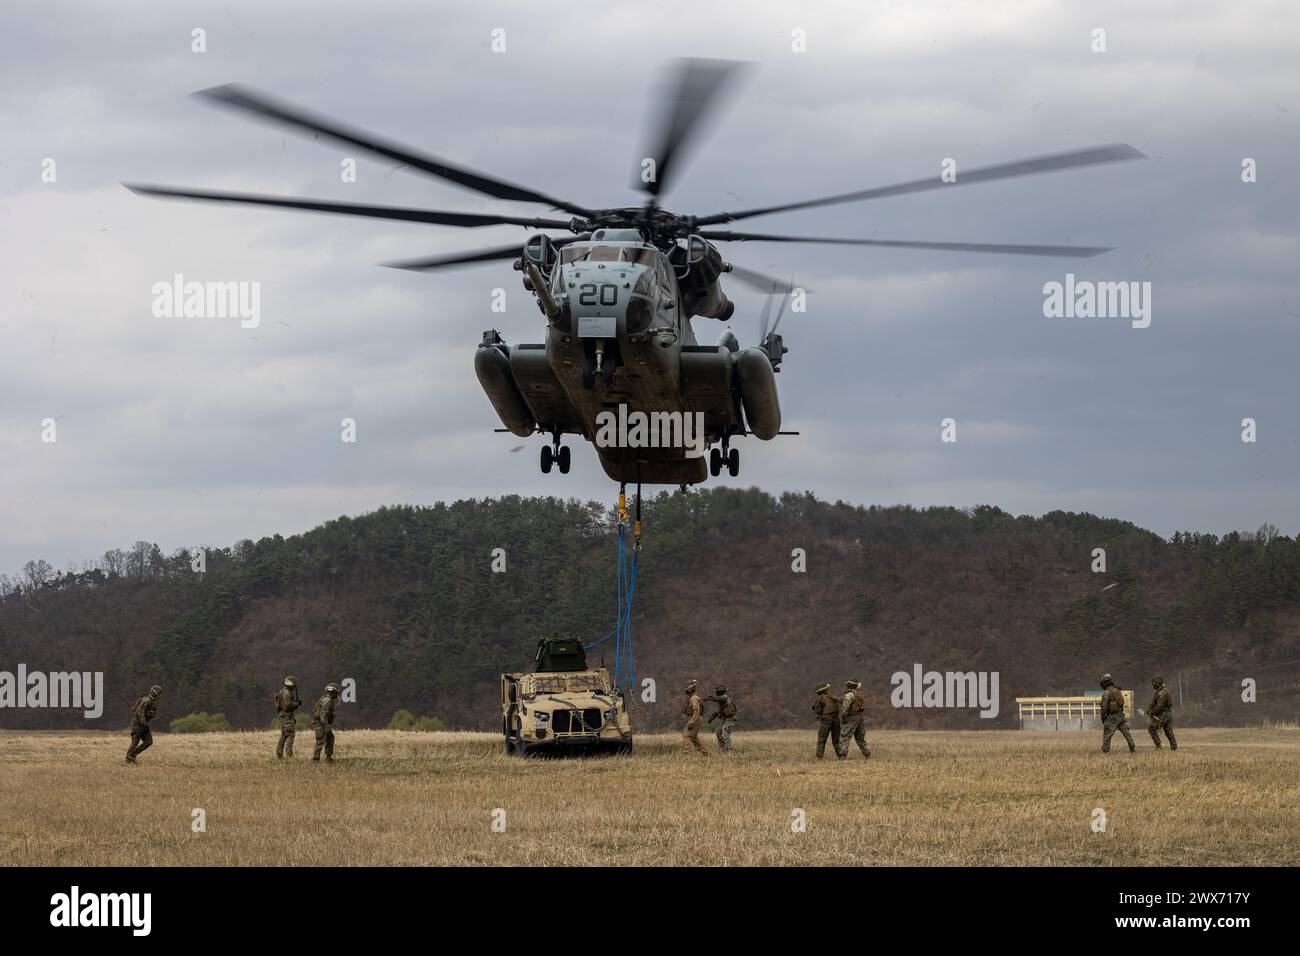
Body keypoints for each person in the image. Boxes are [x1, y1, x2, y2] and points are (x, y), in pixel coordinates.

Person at [1099, 673, 1136, 754]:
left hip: (1112, 716)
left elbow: (1104, 708)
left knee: (1107, 735)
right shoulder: (1117, 691)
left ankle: (1105, 750)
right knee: (1126, 733)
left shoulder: (1106, 693)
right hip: (1120, 715)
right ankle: (1132, 747)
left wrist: (1103, 718)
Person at [126, 685, 162, 764]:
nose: (159, 695)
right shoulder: (146, 701)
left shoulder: (149, 701)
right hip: (138, 724)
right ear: (154, 693)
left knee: (148, 741)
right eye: (158, 693)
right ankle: (129, 757)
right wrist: (144, 722)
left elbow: (136, 710)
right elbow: (141, 713)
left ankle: (132, 755)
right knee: (135, 742)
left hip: (143, 724)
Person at [837, 679, 871, 759]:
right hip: (859, 717)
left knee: (844, 736)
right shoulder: (858, 694)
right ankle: (867, 753)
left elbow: (845, 707)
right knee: (860, 738)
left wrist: (843, 717)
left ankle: (843, 756)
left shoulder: (849, 695)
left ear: (848, 685)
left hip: (852, 717)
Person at [311, 683, 341, 762]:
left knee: (330, 738)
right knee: (320, 739)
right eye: (336, 693)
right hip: (320, 723)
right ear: (333, 692)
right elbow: (323, 716)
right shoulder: (327, 701)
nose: (337, 695)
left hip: (322, 722)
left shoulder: (326, 699)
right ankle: (315, 759)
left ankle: (328, 757)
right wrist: (327, 727)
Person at [1147, 676, 1177, 750]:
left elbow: (1160, 706)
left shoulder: (1161, 693)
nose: (1153, 685)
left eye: (1154, 683)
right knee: (1169, 732)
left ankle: (1158, 746)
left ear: (1157, 684)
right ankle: (1174, 748)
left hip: (1163, 714)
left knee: (1151, 728)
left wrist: (1151, 711)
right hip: (1168, 714)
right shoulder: (1164, 691)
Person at [813, 683, 842, 759]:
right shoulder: (831, 696)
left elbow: (818, 711)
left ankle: (819, 757)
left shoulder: (820, 699)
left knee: (822, 739)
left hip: (826, 720)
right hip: (836, 719)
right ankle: (841, 755)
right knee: (836, 740)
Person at [275, 676, 301, 758]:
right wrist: (296, 704)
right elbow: (288, 704)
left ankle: (279, 753)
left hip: (284, 716)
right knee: (290, 734)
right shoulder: (287, 693)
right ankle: (289, 754)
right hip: (287, 716)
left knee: (284, 735)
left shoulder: (283, 691)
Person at [707, 685, 737, 753]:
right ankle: (723, 749)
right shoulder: (721, 701)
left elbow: (721, 698)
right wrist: (712, 718)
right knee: (718, 732)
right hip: (724, 719)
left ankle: (729, 750)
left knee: (725, 733)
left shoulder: (725, 697)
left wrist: (712, 698)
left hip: (730, 719)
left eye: (720, 691)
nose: (718, 692)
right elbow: (720, 711)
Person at [682, 680, 707, 755]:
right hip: (696, 718)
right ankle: (705, 753)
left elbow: (696, 710)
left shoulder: (694, 698)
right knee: (694, 738)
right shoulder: (694, 697)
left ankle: (687, 753)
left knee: (686, 735)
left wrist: (692, 721)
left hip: (694, 718)